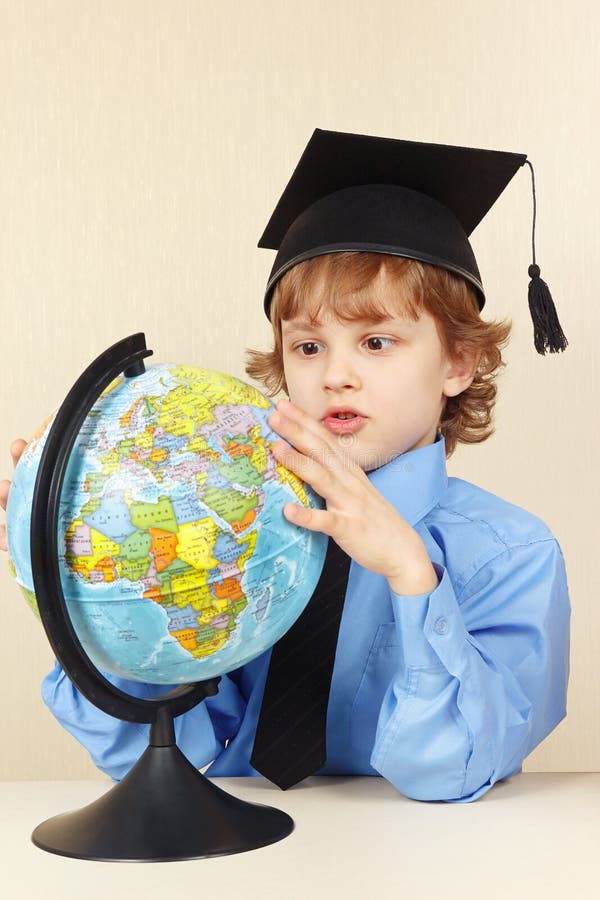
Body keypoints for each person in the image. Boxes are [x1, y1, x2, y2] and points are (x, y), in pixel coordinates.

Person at [0, 129, 570, 803]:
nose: (336, 376)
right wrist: (84, 574)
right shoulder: (233, 525)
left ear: (456, 363)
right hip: (244, 846)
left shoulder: (514, 557)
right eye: (306, 347)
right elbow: (170, 755)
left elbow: (453, 772)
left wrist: (411, 574)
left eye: (377, 342)